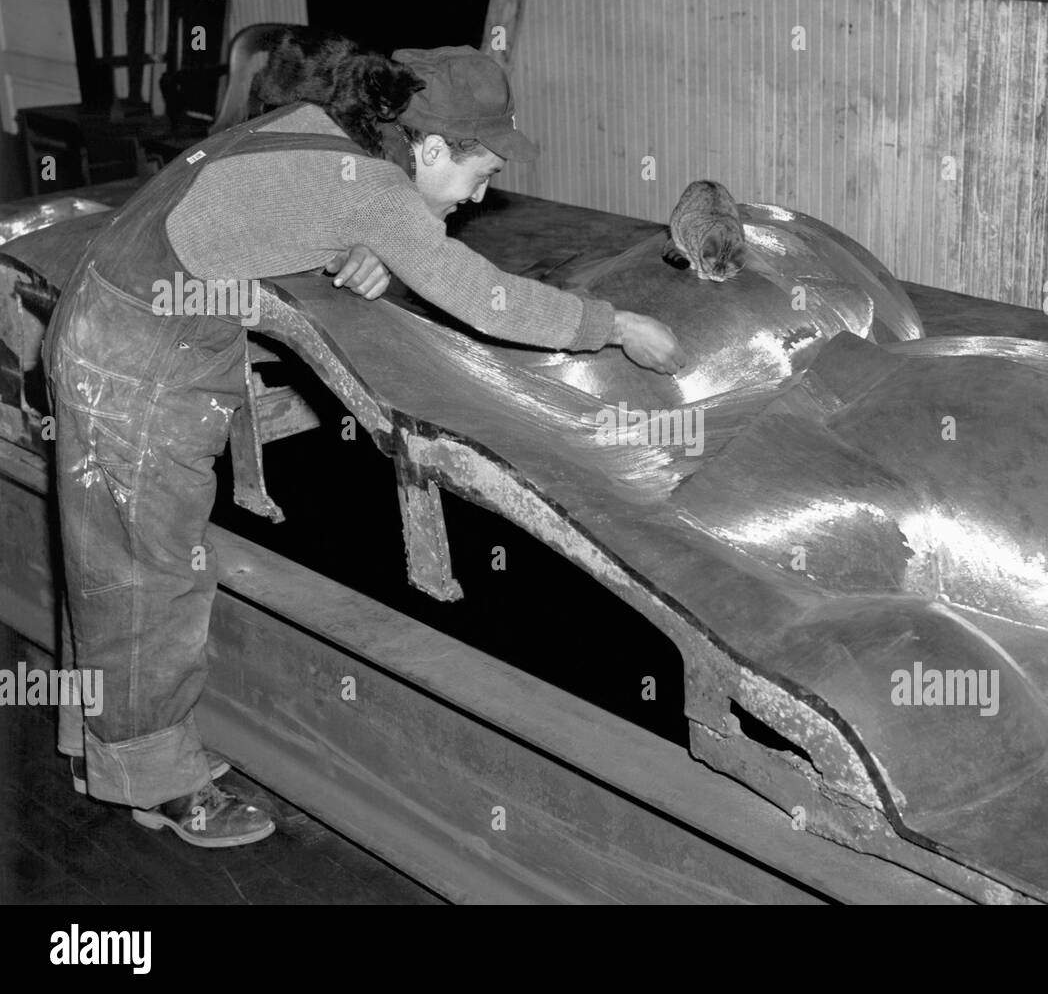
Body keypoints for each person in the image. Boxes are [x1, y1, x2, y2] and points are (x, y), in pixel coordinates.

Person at [45, 44, 685, 848]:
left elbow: (282, 206)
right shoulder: (380, 194)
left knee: (108, 558)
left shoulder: (325, 127)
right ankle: (161, 783)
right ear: (428, 148)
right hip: (142, 359)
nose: (482, 197)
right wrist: (614, 326)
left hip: (108, 311)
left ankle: (98, 749)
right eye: (478, 174)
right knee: (154, 578)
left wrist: (370, 248)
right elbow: (488, 299)